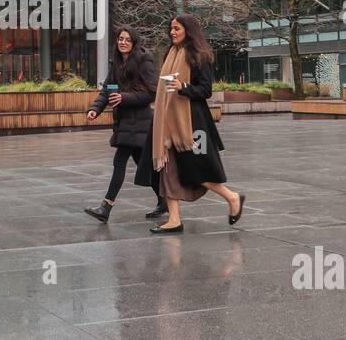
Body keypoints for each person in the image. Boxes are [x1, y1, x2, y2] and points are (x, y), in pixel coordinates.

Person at [135, 14, 245, 234]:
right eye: (171, 28)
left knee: (197, 170)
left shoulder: (198, 55)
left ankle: (232, 198)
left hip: (191, 123)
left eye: (177, 28)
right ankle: (174, 219)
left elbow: (205, 90)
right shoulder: (171, 53)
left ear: (188, 30)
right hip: (167, 122)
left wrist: (182, 86)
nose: (172, 32)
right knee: (167, 170)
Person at [84, 27, 165, 223]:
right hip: (124, 122)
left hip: (139, 121)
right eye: (120, 39)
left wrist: (125, 97)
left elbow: (152, 93)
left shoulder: (143, 61)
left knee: (119, 162)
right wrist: (96, 108)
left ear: (134, 42)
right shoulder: (117, 63)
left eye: (127, 39)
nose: (123, 42)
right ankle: (164, 200)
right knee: (145, 166)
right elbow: (108, 89)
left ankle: (106, 206)